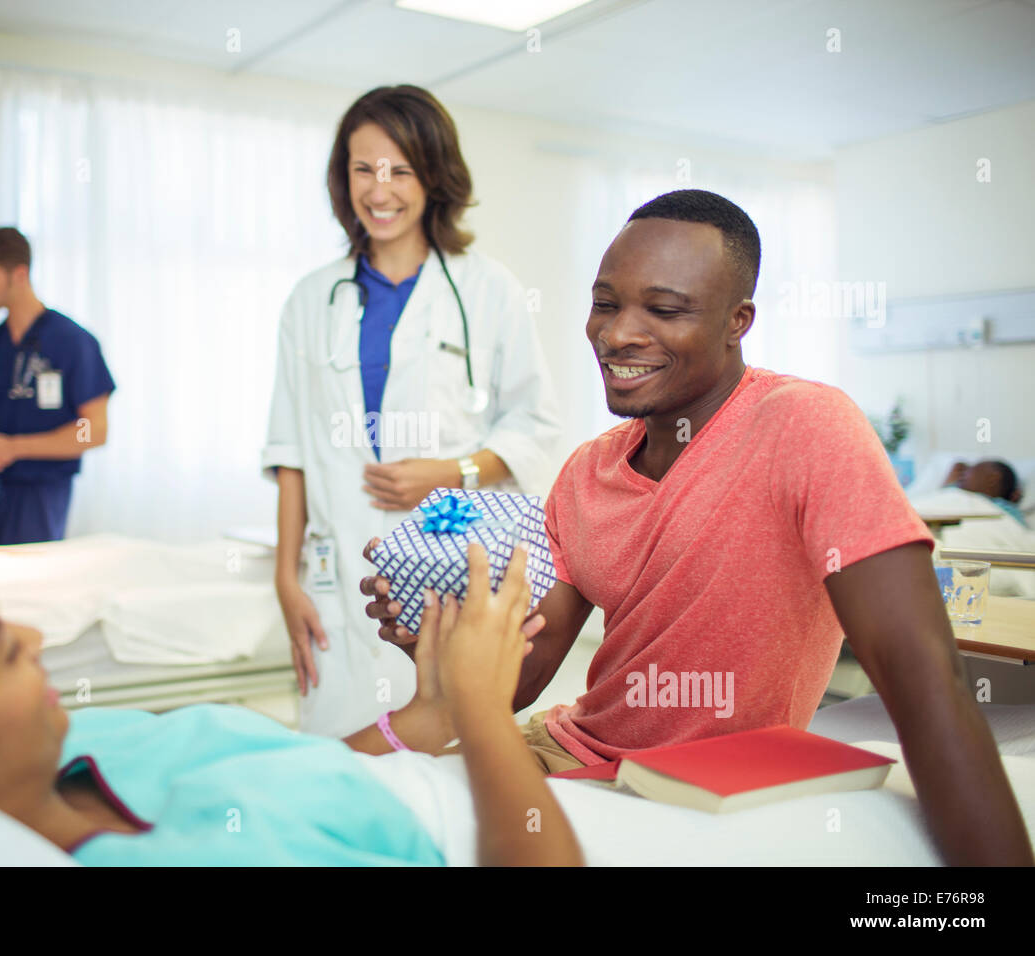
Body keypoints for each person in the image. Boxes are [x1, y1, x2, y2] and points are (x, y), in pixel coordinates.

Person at [362, 188, 1033, 865]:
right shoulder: (585, 473)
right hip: (565, 751)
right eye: (604, 303)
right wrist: (446, 643)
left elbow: (924, 676)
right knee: (352, 813)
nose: (618, 333)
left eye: (664, 309)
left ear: (736, 321)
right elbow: (524, 679)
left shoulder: (804, 427)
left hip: (702, 791)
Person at [0, 543, 582, 867]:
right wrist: (480, 712)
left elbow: (281, 772)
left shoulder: (81, 747)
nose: (32, 638)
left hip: (458, 785)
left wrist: (423, 716)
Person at [261, 85, 561, 738]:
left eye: (400, 170)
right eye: (364, 168)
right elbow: (290, 449)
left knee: (443, 769)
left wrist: (453, 470)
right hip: (336, 580)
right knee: (339, 766)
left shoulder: (489, 289)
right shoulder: (311, 300)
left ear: (434, 176)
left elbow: (535, 424)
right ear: (345, 179)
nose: (380, 189)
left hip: (447, 571)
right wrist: (286, 583)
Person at [0, 227, 116, 545]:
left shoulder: (73, 342)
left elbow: (95, 430)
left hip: (40, 494)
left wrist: (14, 448)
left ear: (19, 274)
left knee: (32, 586)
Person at [943, 458, 1026, 526]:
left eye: (969, 470)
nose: (960, 476)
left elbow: (1016, 530)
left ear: (992, 479)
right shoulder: (953, 495)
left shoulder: (1005, 510)